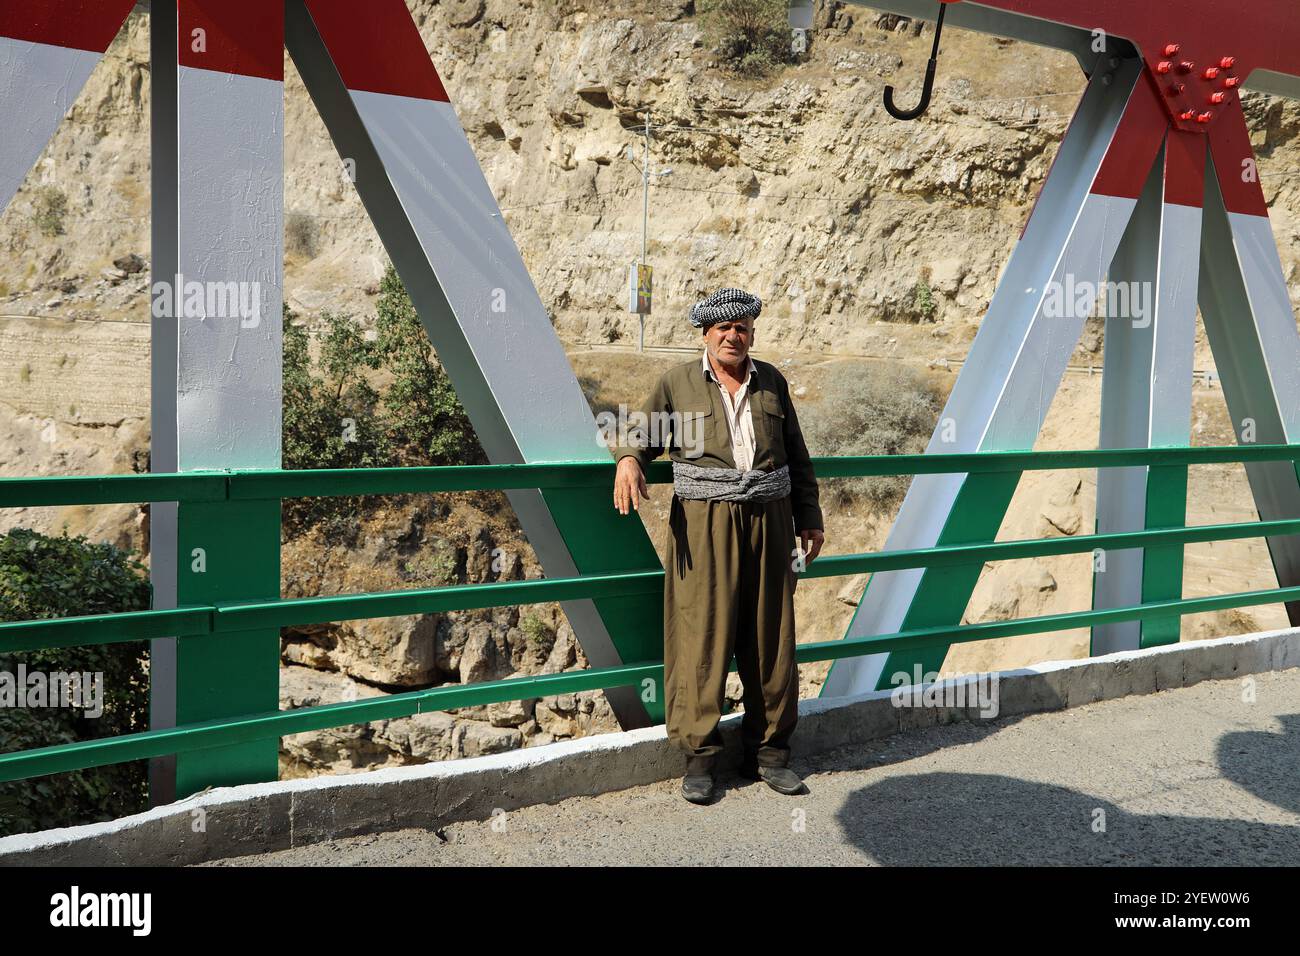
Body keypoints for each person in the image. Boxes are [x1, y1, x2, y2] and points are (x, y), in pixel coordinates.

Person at [613, 287, 825, 804]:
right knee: (701, 636)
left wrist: (809, 517)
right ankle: (700, 759)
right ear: (706, 333)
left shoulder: (772, 381)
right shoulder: (678, 384)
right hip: (703, 524)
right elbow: (640, 434)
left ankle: (771, 753)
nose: (735, 336)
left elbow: (796, 455)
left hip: (771, 521)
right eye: (724, 328)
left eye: (743, 328)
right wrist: (628, 460)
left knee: (771, 635)